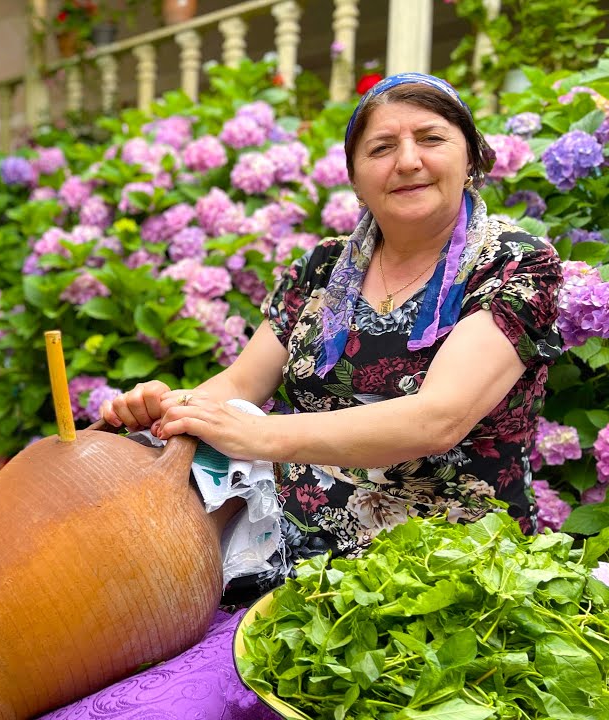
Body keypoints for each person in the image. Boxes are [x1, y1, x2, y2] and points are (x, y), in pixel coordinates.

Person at [101, 72, 562, 600]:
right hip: (284, 548)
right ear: (355, 178)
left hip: (444, 569)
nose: (408, 161)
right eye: (381, 148)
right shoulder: (322, 267)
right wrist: (170, 407)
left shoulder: (515, 264)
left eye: (431, 139)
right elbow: (242, 382)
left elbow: (438, 419)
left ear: (472, 157)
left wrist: (262, 437)